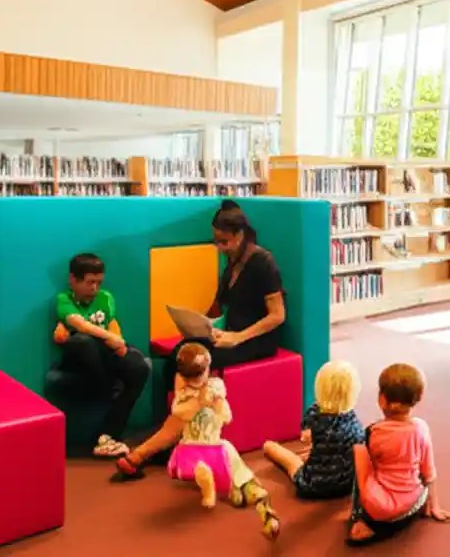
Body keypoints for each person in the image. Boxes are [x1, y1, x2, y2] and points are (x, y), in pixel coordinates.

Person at [115, 200, 286, 479]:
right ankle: (168, 429)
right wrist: (195, 326)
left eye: (225, 241)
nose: (220, 247)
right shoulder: (231, 265)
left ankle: (156, 445)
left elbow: (277, 315)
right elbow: (217, 308)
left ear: (241, 235)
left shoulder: (262, 262)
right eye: (216, 241)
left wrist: (236, 337)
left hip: (254, 340)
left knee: (194, 365)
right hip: (228, 334)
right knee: (178, 356)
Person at [165, 343, 280, 540]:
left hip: (208, 447)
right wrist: (200, 401)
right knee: (215, 469)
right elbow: (181, 413)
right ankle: (216, 488)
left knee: (213, 471)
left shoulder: (215, 388)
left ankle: (259, 505)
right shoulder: (184, 396)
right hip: (203, 447)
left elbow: (226, 416)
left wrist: (216, 403)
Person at [52, 253, 151, 458]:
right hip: (79, 361)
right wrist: (110, 338)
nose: (94, 288)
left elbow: (112, 324)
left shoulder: (105, 297)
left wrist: (118, 340)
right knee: (82, 341)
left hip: (105, 354)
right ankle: (109, 387)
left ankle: (108, 436)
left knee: (139, 366)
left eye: (98, 283)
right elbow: (79, 324)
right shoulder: (64, 299)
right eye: (89, 283)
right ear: (73, 280)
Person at [346, 363, 450, 546]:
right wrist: (434, 504)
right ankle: (401, 519)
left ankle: (360, 518)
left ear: (382, 399)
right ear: (418, 398)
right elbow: (429, 471)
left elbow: (370, 468)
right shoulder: (421, 428)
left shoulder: (374, 432)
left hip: (379, 507)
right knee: (416, 472)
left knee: (359, 450)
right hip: (412, 502)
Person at [263, 360, 365, 499]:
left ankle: (270, 447)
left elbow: (305, 438)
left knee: (287, 458)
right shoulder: (356, 425)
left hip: (312, 484)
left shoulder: (314, 415)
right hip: (347, 485)